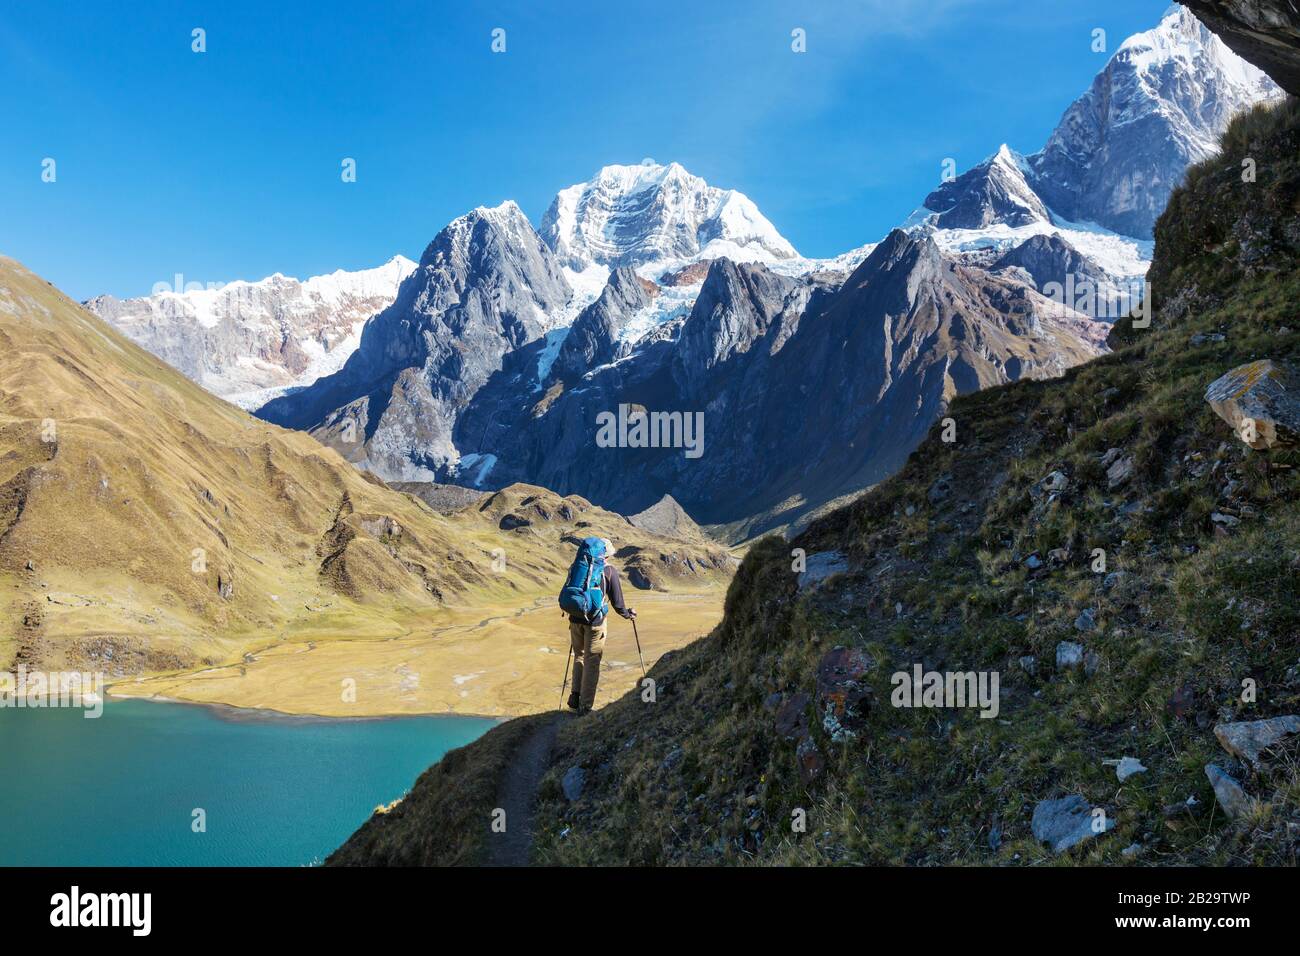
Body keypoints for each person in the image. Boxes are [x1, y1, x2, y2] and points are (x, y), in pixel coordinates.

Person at [567, 538, 635, 714]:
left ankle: (574, 697)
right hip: (595, 623)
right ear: (605, 555)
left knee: (579, 656)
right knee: (592, 661)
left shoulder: (576, 567)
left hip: (575, 619)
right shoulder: (609, 571)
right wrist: (628, 614)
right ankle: (585, 707)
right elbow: (617, 603)